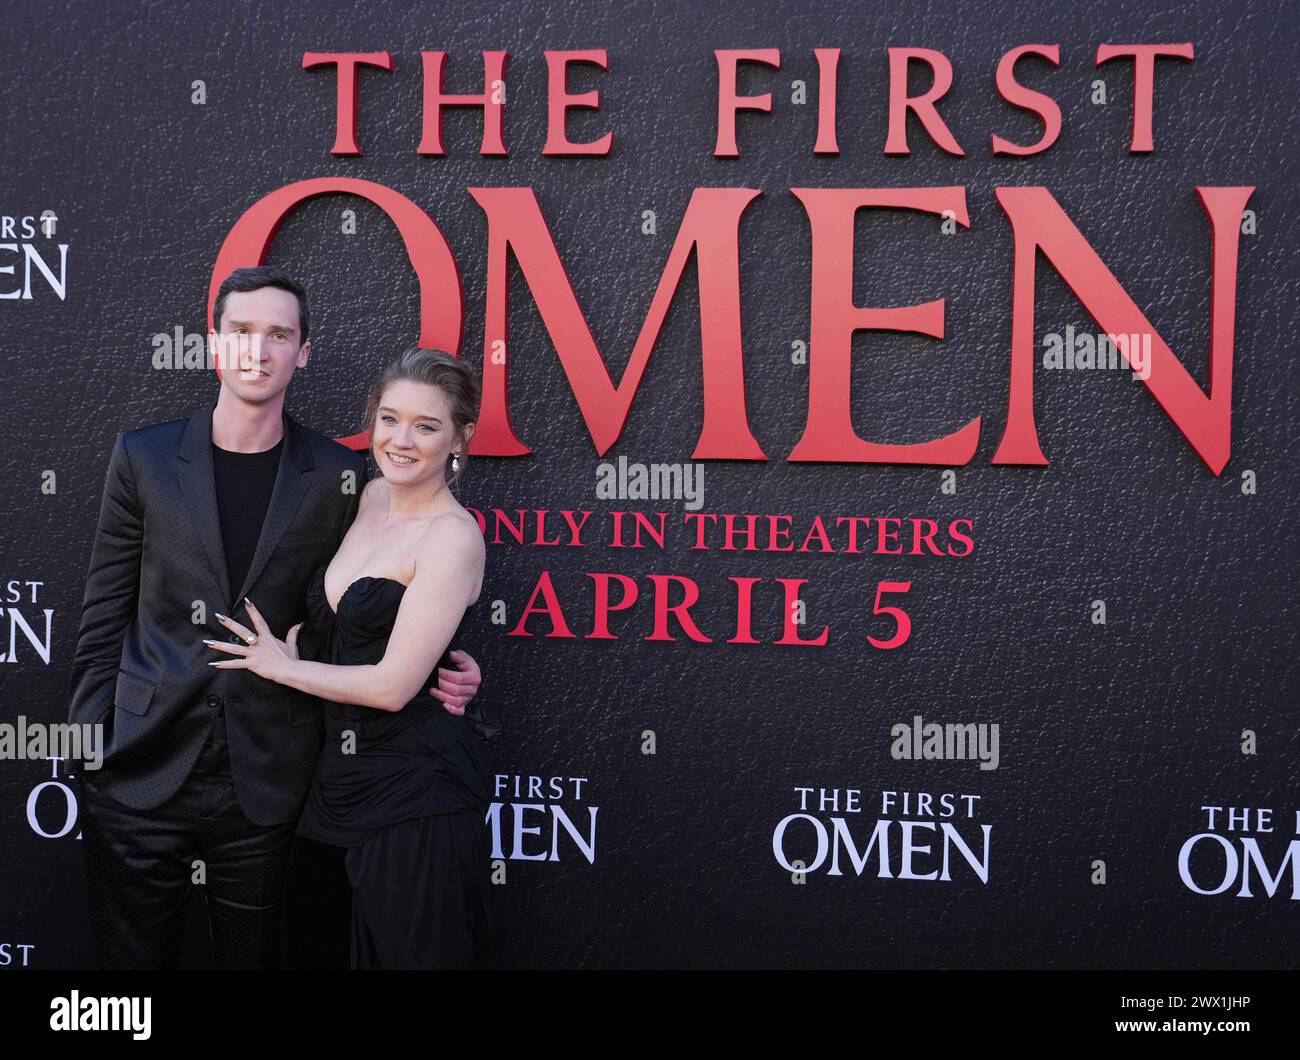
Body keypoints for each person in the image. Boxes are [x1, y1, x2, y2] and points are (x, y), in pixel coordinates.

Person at [66, 266, 485, 970]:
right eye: (241, 332)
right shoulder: (142, 458)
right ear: (213, 344)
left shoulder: (339, 477)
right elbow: (104, 610)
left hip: (270, 784)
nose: (257, 351)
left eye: (278, 335)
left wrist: (451, 668)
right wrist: (93, 743)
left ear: (304, 352)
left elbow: (376, 601)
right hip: (138, 767)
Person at [207, 346, 493, 969]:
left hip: (416, 793)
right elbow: (357, 631)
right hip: (333, 785)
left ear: (459, 438)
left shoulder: (453, 536)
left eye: (426, 425)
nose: (401, 440)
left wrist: (280, 666)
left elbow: (393, 686)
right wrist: (295, 647)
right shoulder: (368, 499)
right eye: (389, 418)